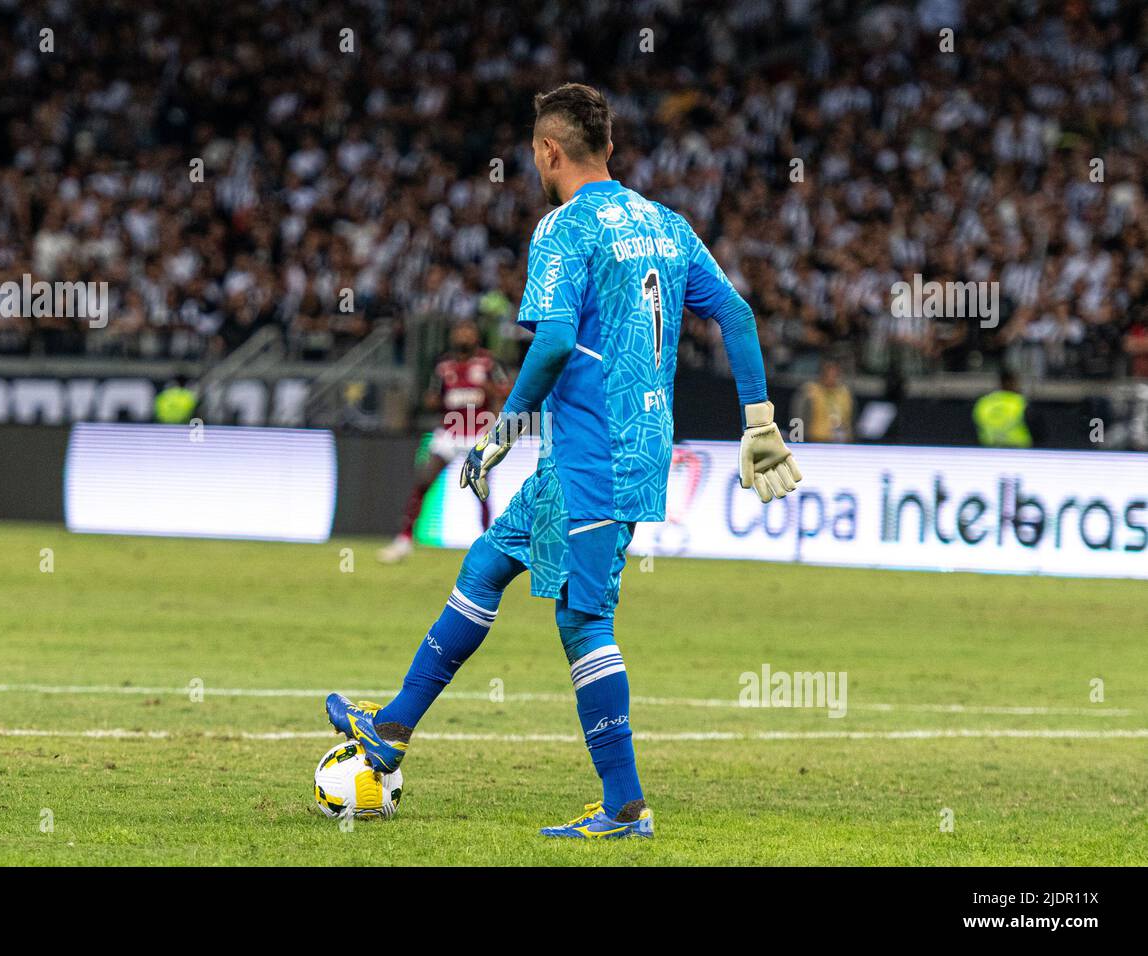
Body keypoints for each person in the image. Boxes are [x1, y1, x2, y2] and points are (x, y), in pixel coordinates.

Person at [326, 84, 801, 839]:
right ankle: (392, 727)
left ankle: (624, 806)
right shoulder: (666, 223)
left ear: (548, 151)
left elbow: (549, 342)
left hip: (596, 454)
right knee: (487, 561)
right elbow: (737, 315)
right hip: (604, 450)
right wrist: (761, 422)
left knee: (584, 622)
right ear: (607, 147)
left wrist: (501, 430)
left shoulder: (562, 228)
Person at [377, 319, 509, 563]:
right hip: (449, 432)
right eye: (459, 331)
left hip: (477, 434)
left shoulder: (488, 363)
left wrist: (487, 390)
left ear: (476, 335)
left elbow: (506, 390)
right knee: (423, 481)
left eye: (468, 330)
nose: (463, 335)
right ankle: (403, 540)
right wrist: (438, 400)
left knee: (479, 490)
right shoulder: (443, 366)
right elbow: (432, 398)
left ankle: (487, 546)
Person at [973, 369, 1041, 448]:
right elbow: (1037, 430)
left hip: (990, 450)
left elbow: (974, 428)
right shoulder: (1020, 402)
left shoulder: (984, 402)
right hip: (1019, 451)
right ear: (1010, 383)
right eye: (1016, 383)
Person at [792, 358, 854, 442]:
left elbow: (851, 418)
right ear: (822, 374)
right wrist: (798, 440)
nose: (831, 378)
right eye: (828, 374)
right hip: (815, 439)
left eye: (835, 374)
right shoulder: (810, 391)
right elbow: (797, 417)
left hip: (841, 440)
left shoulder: (844, 393)